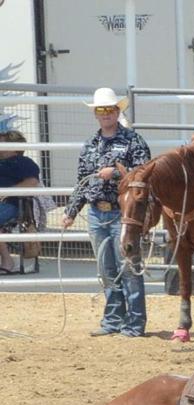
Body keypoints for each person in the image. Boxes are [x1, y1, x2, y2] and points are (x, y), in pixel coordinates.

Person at [62, 88, 151, 337]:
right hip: (96, 214)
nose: (105, 114)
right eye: (100, 110)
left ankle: (134, 323)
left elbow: (143, 172)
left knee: (129, 267)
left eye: (109, 110)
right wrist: (71, 211)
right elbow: (82, 181)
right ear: (95, 114)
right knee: (106, 270)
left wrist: (116, 171)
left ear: (117, 111)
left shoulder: (134, 141)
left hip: (123, 214)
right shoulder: (90, 144)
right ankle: (113, 320)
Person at [0, 129, 42, 274]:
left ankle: (7, 260)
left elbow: (32, 181)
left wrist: (7, 192)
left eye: (2, 143)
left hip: (11, 204)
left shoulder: (22, 162)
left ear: (14, 147)